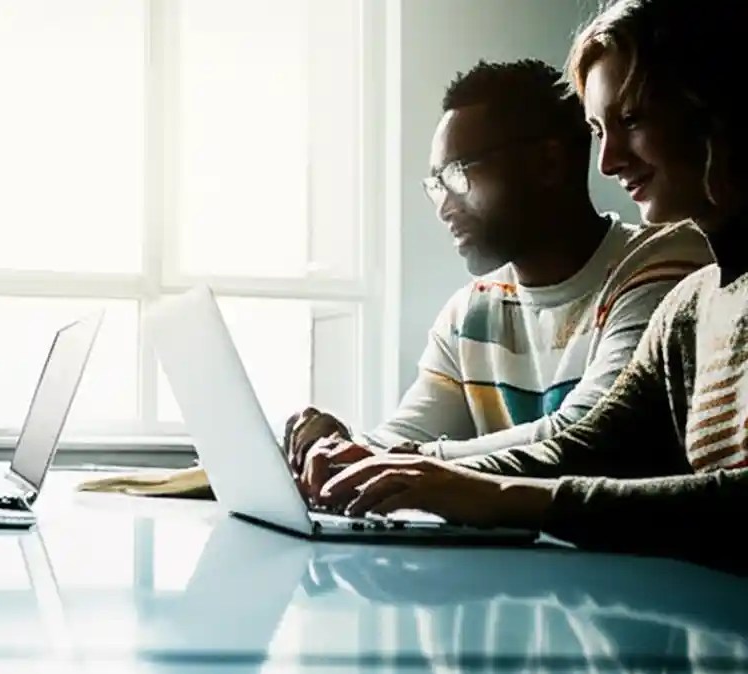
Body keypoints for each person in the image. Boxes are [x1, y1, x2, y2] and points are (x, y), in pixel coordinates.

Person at [314, 0, 748, 574]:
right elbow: (584, 451)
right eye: (598, 131)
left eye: (633, 120)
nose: (609, 161)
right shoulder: (690, 310)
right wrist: (402, 473)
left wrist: (481, 492)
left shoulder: (668, 274)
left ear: (709, 105)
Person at [284, 58, 710, 489]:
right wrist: (337, 447)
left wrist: (397, 458)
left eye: (457, 174)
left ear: (547, 163)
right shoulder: (471, 312)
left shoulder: (664, 265)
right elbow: (406, 438)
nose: (444, 205)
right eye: (436, 183)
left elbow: (585, 435)